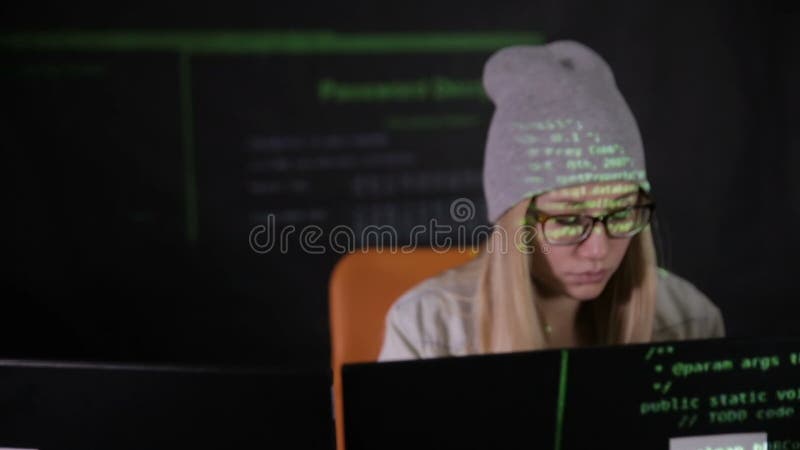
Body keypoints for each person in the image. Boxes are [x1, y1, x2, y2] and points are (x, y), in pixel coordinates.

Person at [378, 40, 725, 361]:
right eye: (568, 220)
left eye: (621, 213)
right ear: (515, 222)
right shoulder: (426, 331)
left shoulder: (688, 320)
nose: (598, 250)